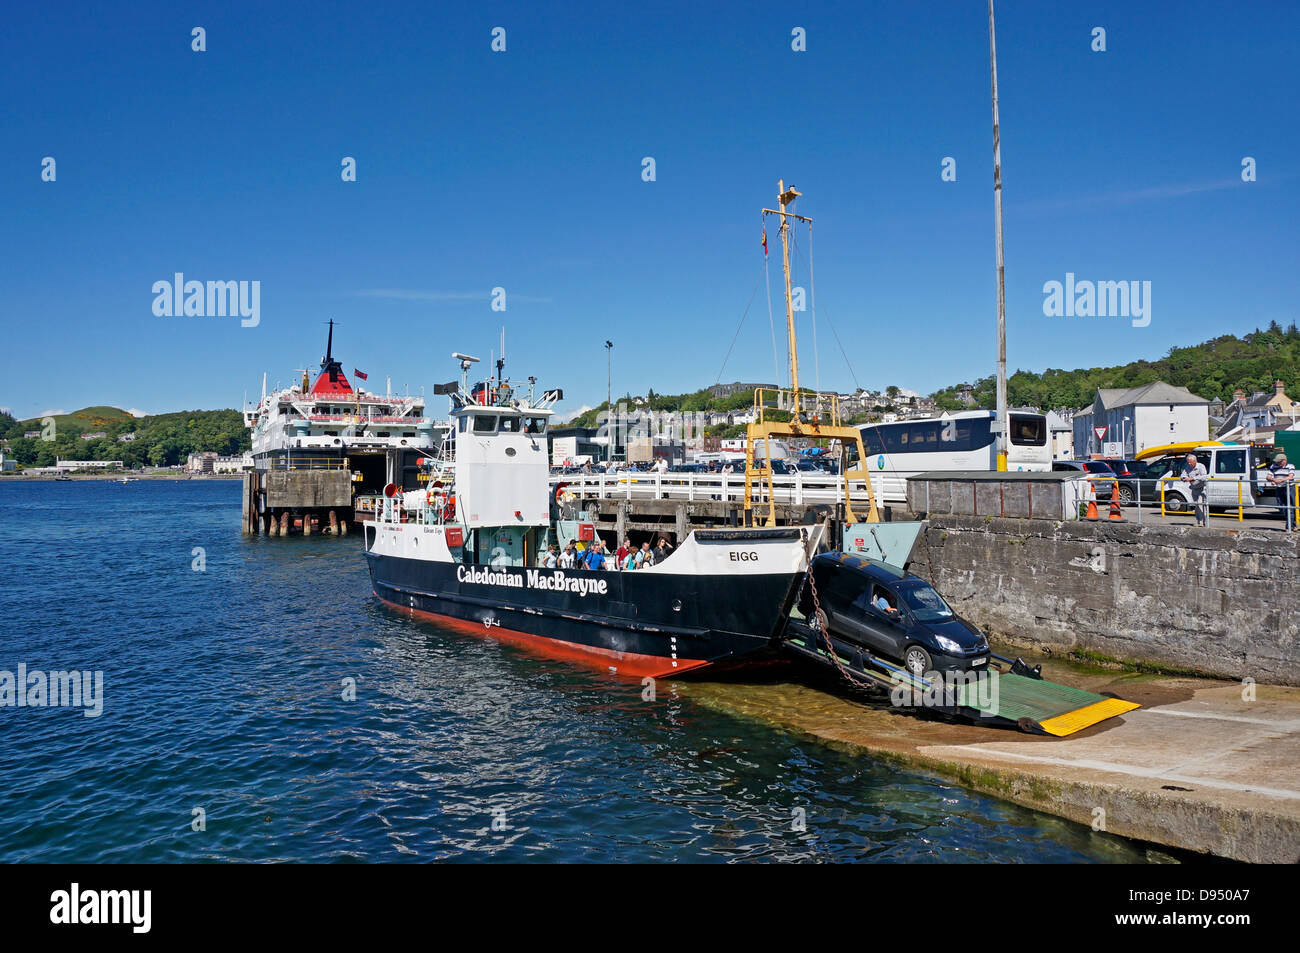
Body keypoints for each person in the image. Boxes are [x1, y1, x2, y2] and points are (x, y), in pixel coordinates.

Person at [1267, 452, 1296, 531]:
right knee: (1282, 506)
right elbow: (1268, 476)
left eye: (1279, 461)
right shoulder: (1273, 466)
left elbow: (1290, 477)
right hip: (1279, 488)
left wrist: (1280, 480)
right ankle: (1293, 524)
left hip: (1289, 487)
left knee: (1290, 506)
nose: (1278, 463)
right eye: (1277, 461)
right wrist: (1273, 480)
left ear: (1285, 460)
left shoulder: (1290, 466)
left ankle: (1289, 526)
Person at [1180, 453, 1209, 527]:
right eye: (1188, 462)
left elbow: (1204, 476)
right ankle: (1199, 521)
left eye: (1190, 462)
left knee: (1200, 505)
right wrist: (1184, 478)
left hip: (1202, 489)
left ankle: (1203, 522)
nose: (1189, 463)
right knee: (1196, 506)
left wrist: (1193, 478)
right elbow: (1182, 475)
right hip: (1194, 488)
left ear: (1195, 461)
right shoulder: (1187, 467)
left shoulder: (1201, 466)